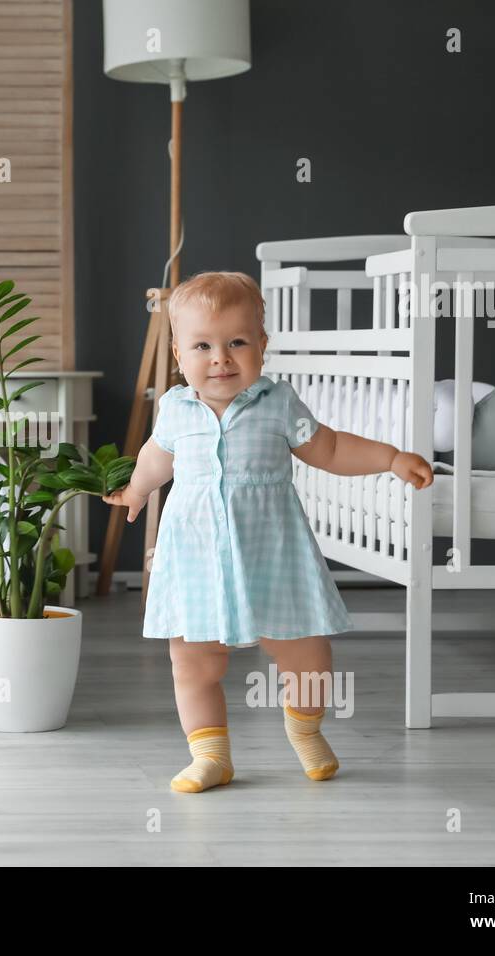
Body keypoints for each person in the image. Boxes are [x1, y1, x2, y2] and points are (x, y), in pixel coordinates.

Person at [103, 271, 433, 793]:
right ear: (178, 354)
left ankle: (306, 728)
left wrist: (388, 458)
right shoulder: (174, 410)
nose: (221, 358)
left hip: (275, 552)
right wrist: (136, 491)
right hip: (196, 556)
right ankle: (210, 756)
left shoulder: (277, 403)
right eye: (203, 346)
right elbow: (154, 459)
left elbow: (329, 448)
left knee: (307, 653)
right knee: (193, 662)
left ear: (262, 345)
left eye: (237, 342)